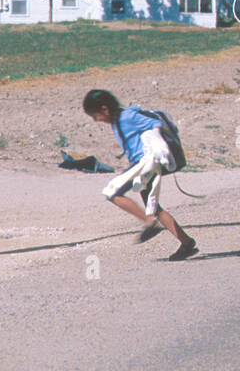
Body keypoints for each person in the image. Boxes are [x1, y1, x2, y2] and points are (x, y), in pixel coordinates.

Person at [83, 89, 198, 261]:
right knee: (153, 206)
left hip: (145, 163)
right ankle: (186, 243)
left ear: (104, 109)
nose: (95, 120)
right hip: (141, 165)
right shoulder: (117, 121)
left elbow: (154, 124)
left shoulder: (126, 117)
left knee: (112, 192)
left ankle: (148, 223)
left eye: (95, 115)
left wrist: (159, 146)